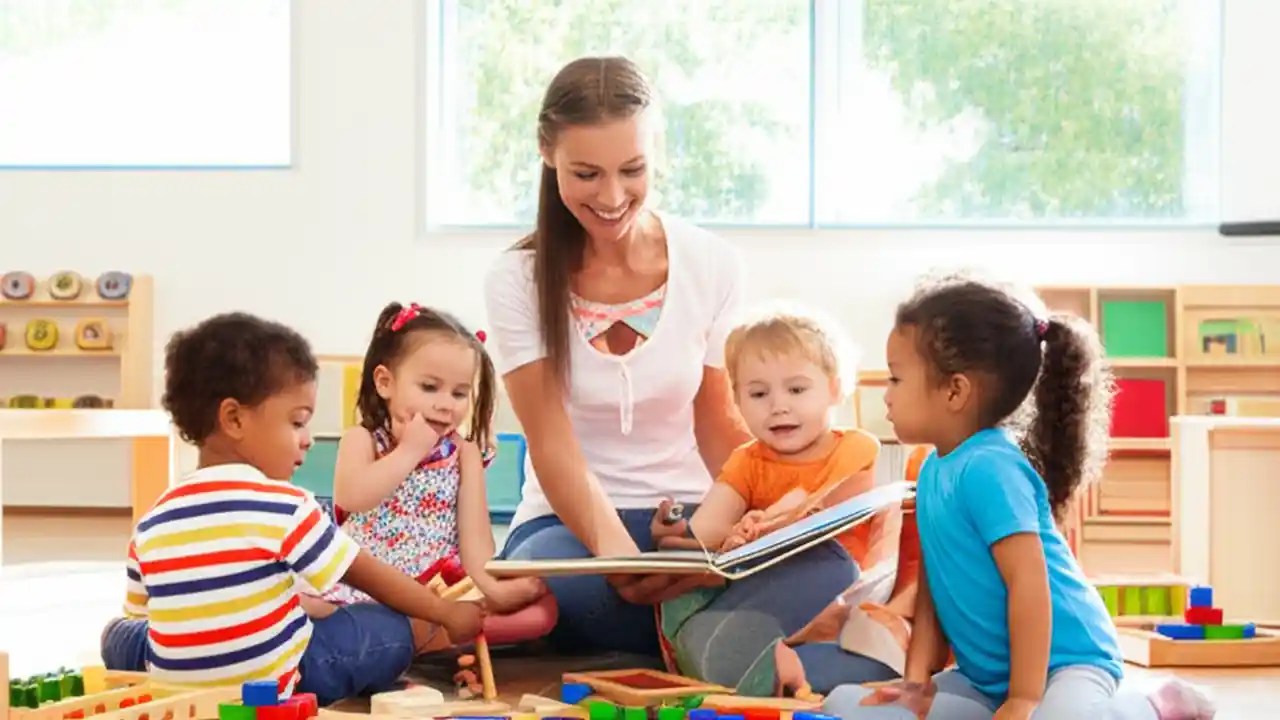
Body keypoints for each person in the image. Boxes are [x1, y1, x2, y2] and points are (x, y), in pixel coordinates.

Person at [483, 55, 848, 658]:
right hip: (568, 531)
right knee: (542, 581)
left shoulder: (712, 262)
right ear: (547, 152)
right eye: (586, 174)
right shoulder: (515, 279)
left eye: (632, 169)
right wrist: (615, 554)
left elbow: (718, 427)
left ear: (658, 152)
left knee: (829, 563)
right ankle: (711, 634)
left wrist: (738, 537)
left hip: (690, 517)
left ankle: (696, 626)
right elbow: (551, 446)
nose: (612, 196)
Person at [822, 275, 1215, 720]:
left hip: (1064, 663)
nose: (887, 396)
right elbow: (932, 587)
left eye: (896, 378)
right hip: (990, 679)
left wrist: (1025, 698)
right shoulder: (933, 470)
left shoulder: (992, 468)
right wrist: (915, 683)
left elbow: (1029, 586)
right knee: (847, 706)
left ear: (955, 390)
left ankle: (1154, 705)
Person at [98, 312, 483, 705]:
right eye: (297, 423)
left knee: (121, 636)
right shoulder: (287, 506)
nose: (308, 440)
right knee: (388, 629)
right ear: (234, 419)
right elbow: (370, 577)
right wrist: (444, 612)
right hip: (278, 688)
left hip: (176, 692)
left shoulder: (152, 520)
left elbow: (142, 617)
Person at [649, 303, 908, 695]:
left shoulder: (857, 448)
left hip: (834, 604)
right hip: (759, 600)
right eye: (758, 393)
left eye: (797, 389)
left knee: (831, 565)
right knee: (682, 564)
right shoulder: (747, 461)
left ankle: (741, 663)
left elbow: (835, 512)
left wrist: (768, 524)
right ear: (737, 400)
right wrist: (683, 533)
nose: (778, 405)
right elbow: (707, 532)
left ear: (835, 388)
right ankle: (731, 658)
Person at [307, 302, 549, 635]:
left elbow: (476, 543)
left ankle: (414, 634)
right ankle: (407, 634)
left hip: (436, 587)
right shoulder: (363, 440)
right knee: (306, 606)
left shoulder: (464, 454)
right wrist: (409, 451)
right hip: (368, 587)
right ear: (385, 383)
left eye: (459, 393)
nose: (446, 404)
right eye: (429, 387)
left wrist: (493, 590)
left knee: (542, 614)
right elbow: (352, 498)